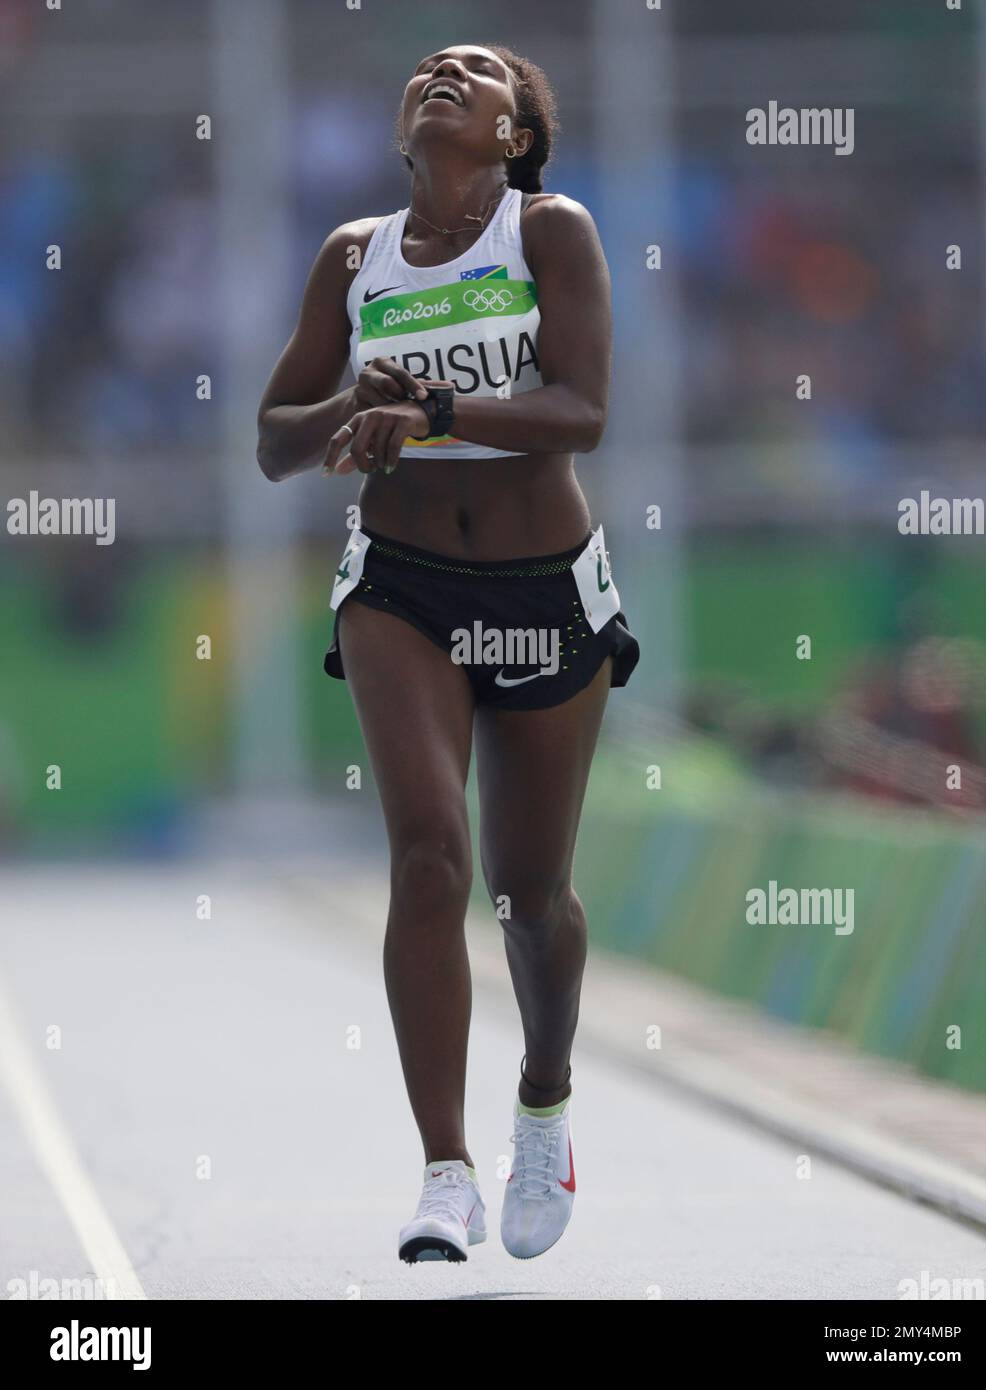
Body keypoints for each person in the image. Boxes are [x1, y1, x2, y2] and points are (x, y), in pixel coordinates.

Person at [257, 43, 639, 1263]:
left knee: (531, 897)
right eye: (428, 67)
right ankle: (445, 1170)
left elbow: (583, 409)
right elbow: (275, 439)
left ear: (515, 134)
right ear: (399, 130)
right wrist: (346, 411)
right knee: (430, 855)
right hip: (402, 582)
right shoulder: (351, 256)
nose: (443, 74)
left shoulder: (550, 231)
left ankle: (544, 1102)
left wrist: (432, 411)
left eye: (476, 73)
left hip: (541, 585)